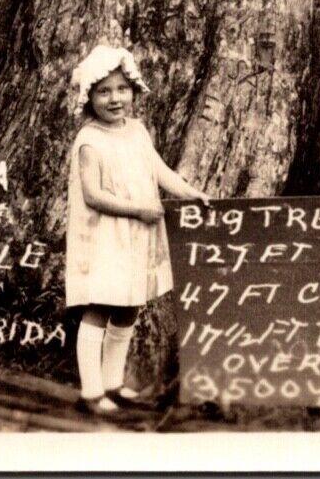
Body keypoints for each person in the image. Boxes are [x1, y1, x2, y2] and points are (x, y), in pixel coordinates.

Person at [65, 44, 209, 416]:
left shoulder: (138, 131)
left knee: (129, 306)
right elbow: (94, 196)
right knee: (100, 306)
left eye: (121, 89)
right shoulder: (90, 141)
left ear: (133, 91)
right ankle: (91, 391)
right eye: (104, 91)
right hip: (105, 237)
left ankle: (113, 384)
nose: (115, 99)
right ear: (89, 98)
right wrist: (139, 210)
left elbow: (159, 171)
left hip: (137, 238)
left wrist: (190, 193)